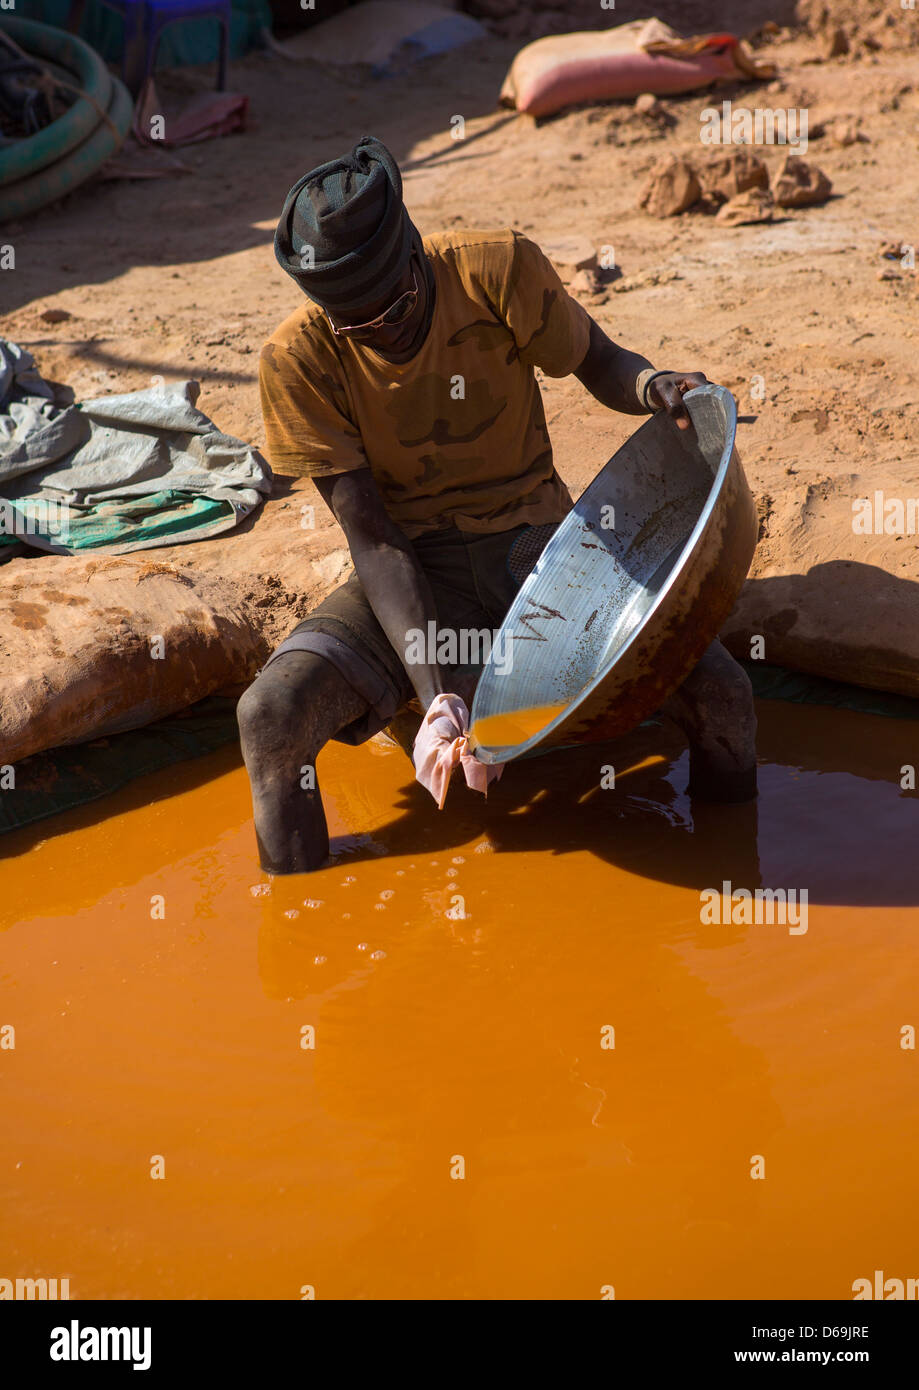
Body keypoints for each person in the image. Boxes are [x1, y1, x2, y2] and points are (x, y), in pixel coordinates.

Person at [240, 135, 756, 874]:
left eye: (398, 305)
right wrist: (436, 698)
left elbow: (599, 361)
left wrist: (652, 386)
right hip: (418, 571)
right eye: (357, 324)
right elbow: (376, 540)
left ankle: (733, 873)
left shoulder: (493, 268)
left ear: (416, 255)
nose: (385, 330)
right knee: (269, 717)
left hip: (538, 551)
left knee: (724, 694)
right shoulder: (296, 363)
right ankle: (296, 914)